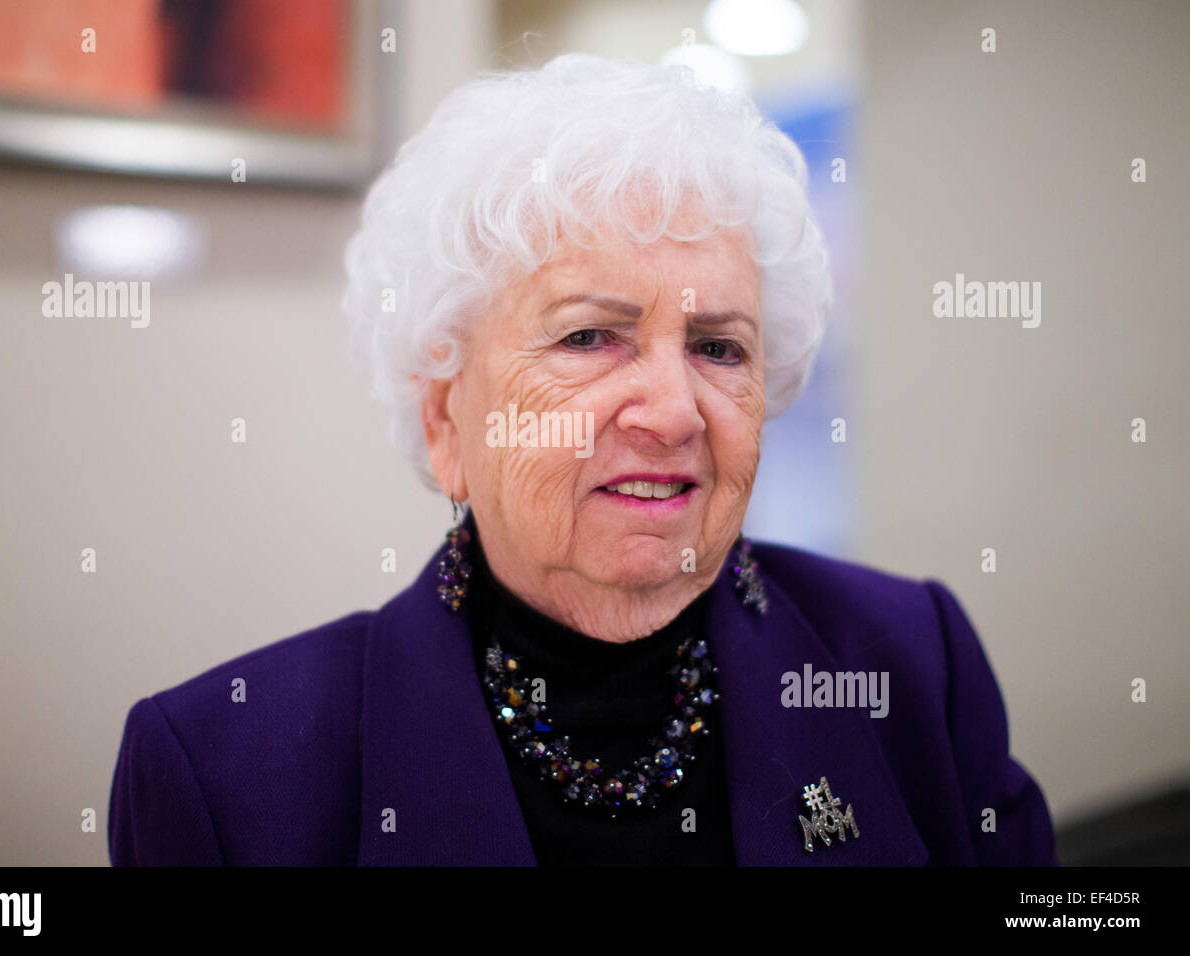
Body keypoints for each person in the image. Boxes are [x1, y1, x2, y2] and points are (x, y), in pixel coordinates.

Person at [108, 53, 1057, 866]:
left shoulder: (909, 662)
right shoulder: (225, 771)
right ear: (446, 423)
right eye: (591, 337)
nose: (674, 411)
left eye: (719, 348)